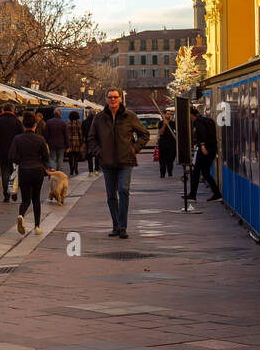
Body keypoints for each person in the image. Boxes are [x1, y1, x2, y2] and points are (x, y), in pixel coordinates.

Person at [85, 88, 150, 239]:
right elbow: (91, 138)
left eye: (115, 97)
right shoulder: (99, 118)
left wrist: (134, 149)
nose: (113, 100)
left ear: (120, 99)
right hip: (107, 162)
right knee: (111, 196)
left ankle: (123, 226)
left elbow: (144, 134)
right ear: (106, 100)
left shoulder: (129, 116)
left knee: (123, 190)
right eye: (110, 97)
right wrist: (99, 152)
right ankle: (115, 225)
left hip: (125, 161)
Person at [9, 111, 50, 235]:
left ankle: (21, 215)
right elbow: (46, 156)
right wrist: (43, 166)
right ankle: (37, 226)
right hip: (37, 170)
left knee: (26, 199)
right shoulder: (40, 139)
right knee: (36, 199)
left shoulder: (17, 139)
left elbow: (11, 156)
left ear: (23, 125)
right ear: (35, 125)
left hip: (24, 170)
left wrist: (20, 161)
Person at [0, 103, 23, 202]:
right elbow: (22, 137)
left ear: (3, 110)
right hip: (15, 152)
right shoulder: (17, 122)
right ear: (12, 110)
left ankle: (6, 195)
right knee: (14, 173)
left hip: (2, 152)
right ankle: (13, 191)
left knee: (5, 173)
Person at [187, 106, 222, 202]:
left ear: (192, 115)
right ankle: (217, 194)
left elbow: (203, 133)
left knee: (196, 171)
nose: (190, 119)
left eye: (190, 116)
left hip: (204, 149)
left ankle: (193, 195)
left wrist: (202, 145)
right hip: (212, 149)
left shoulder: (197, 121)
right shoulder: (209, 120)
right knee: (205, 172)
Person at [158, 108, 177, 179]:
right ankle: (162, 174)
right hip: (163, 144)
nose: (169, 115)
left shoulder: (173, 123)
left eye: (170, 114)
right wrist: (164, 125)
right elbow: (161, 133)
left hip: (171, 144)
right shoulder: (161, 123)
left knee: (170, 159)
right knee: (162, 160)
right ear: (164, 115)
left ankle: (170, 172)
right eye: (168, 114)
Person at [64, 111, 84, 176]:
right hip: (77, 141)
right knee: (76, 156)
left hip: (70, 141)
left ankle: (71, 169)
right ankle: (76, 168)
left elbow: (66, 134)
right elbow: (80, 134)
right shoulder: (78, 124)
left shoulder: (67, 123)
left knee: (70, 156)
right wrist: (82, 142)